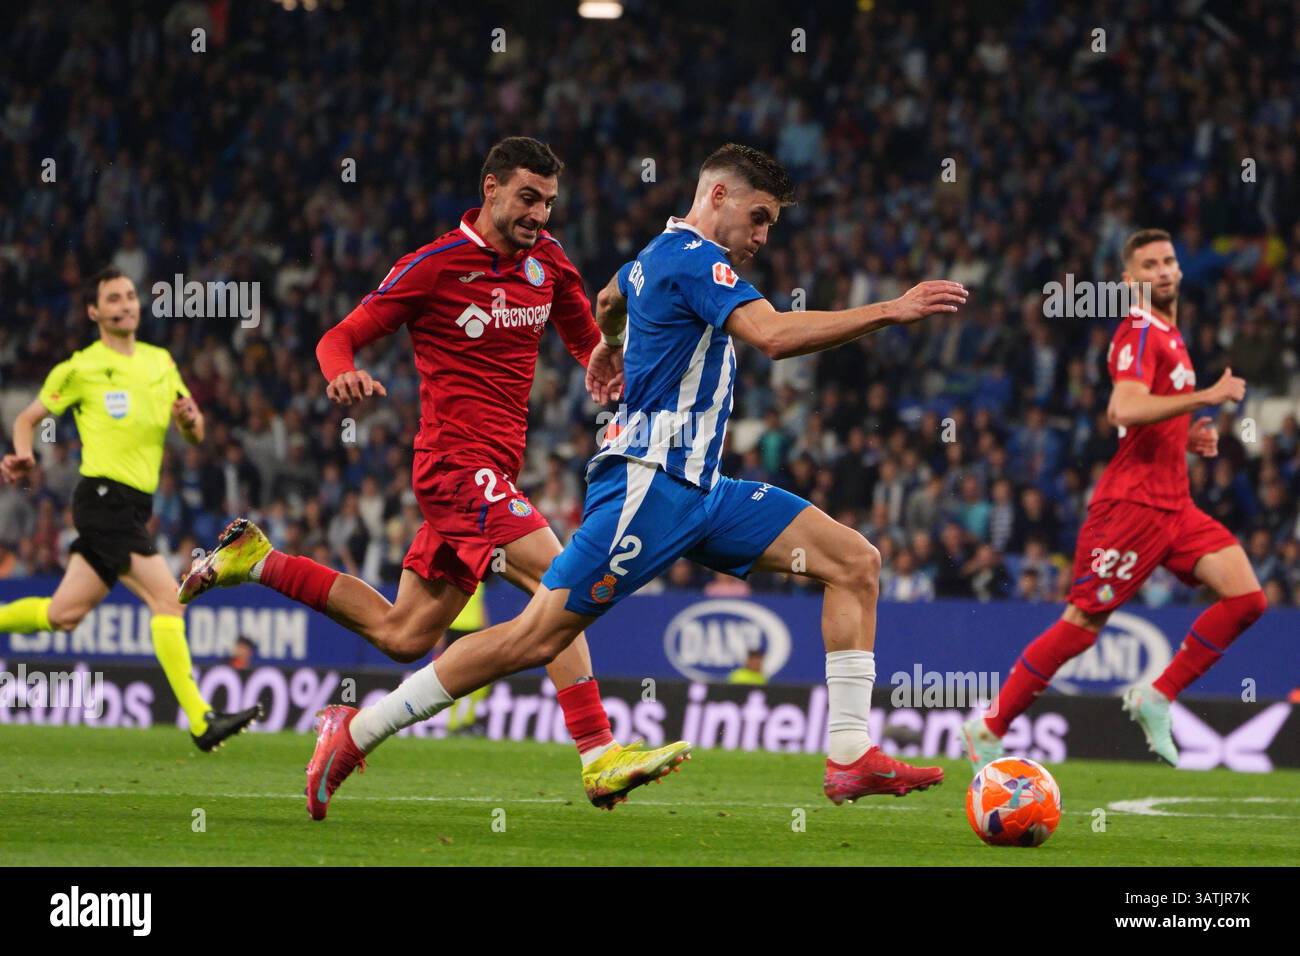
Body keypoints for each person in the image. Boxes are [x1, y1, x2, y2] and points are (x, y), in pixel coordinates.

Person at [304, 142, 969, 817]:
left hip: (702, 489)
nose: (763, 236)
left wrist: (604, 344)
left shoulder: (654, 254)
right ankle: (355, 733)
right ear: (716, 197)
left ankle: (850, 753)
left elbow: (610, 293)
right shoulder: (696, 260)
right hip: (648, 485)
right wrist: (890, 309)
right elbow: (769, 336)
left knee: (855, 561)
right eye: (759, 217)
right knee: (536, 636)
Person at [178, 137, 689, 813]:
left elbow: (582, 337)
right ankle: (598, 751)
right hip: (453, 466)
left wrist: (609, 360)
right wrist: (343, 374)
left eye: (549, 202)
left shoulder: (550, 263)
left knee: (403, 635)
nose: (539, 213)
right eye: (527, 198)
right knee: (565, 579)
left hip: (493, 472)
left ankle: (260, 563)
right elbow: (337, 337)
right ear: (491, 190)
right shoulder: (435, 266)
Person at [963, 229, 1267, 768]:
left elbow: (1152, 414)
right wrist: (1207, 397)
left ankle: (1158, 694)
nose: (1165, 271)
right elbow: (1122, 409)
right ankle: (990, 726)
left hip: (1176, 504)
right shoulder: (1140, 333)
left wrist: (1189, 434)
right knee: (1081, 626)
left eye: (1169, 260)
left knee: (1246, 599)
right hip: (1132, 508)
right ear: (1130, 282)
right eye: (1149, 265)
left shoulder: (1172, 334)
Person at [0, 268, 261, 750]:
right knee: (168, 598)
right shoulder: (81, 367)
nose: (124, 304)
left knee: (63, 614)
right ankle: (202, 721)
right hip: (102, 499)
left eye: (129, 296)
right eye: (112, 299)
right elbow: (28, 418)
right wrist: (23, 451)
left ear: (139, 306)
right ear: (94, 312)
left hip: (132, 508)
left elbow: (195, 431)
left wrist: (191, 420)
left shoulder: (161, 363)